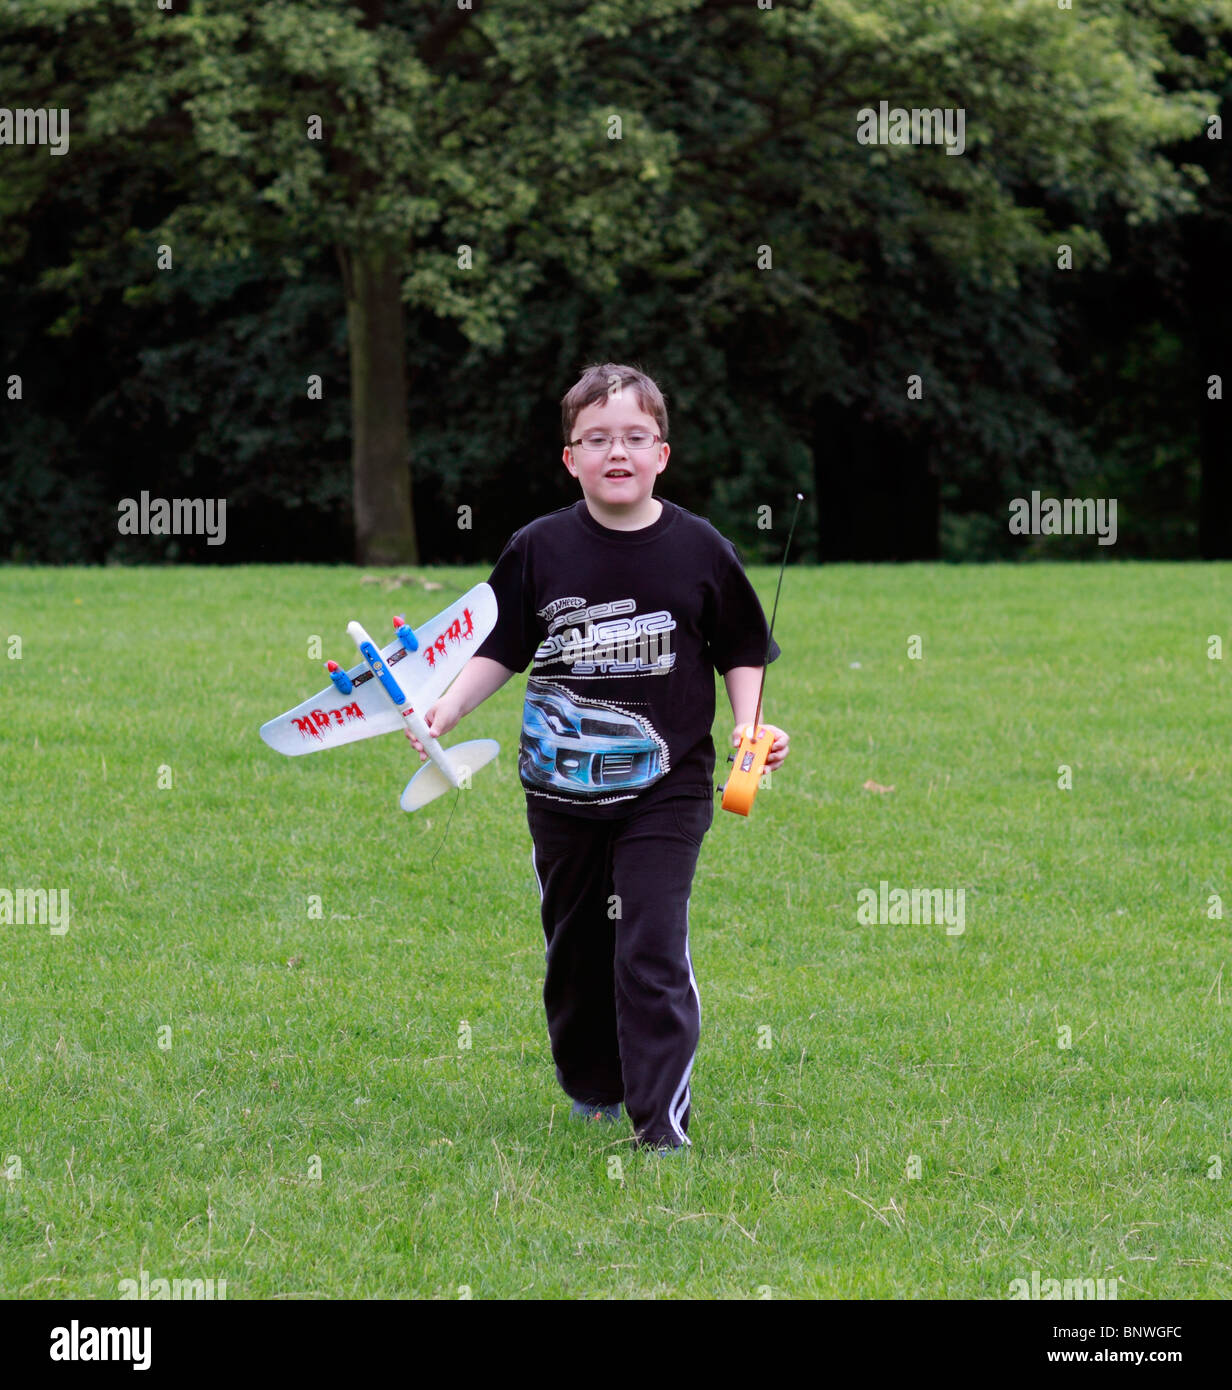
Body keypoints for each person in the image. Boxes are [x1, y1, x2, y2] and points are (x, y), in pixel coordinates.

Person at [405, 363, 791, 1153]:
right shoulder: (537, 549)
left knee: (650, 944)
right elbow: (501, 647)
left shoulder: (700, 549)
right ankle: (593, 1084)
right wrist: (445, 705)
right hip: (557, 788)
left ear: (662, 454)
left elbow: (742, 648)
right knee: (577, 945)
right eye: (597, 439)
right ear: (570, 458)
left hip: (669, 784)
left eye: (634, 437)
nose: (617, 452)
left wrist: (753, 728)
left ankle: (662, 1127)